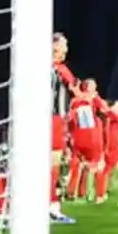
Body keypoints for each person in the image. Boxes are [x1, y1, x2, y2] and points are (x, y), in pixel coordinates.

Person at [50, 33, 77, 224]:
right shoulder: (59, 70)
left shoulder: (57, 69)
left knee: (52, 165)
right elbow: (76, 89)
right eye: (63, 45)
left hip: (54, 120)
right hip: (52, 120)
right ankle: (51, 207)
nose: (66, 49)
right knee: (53, 164)